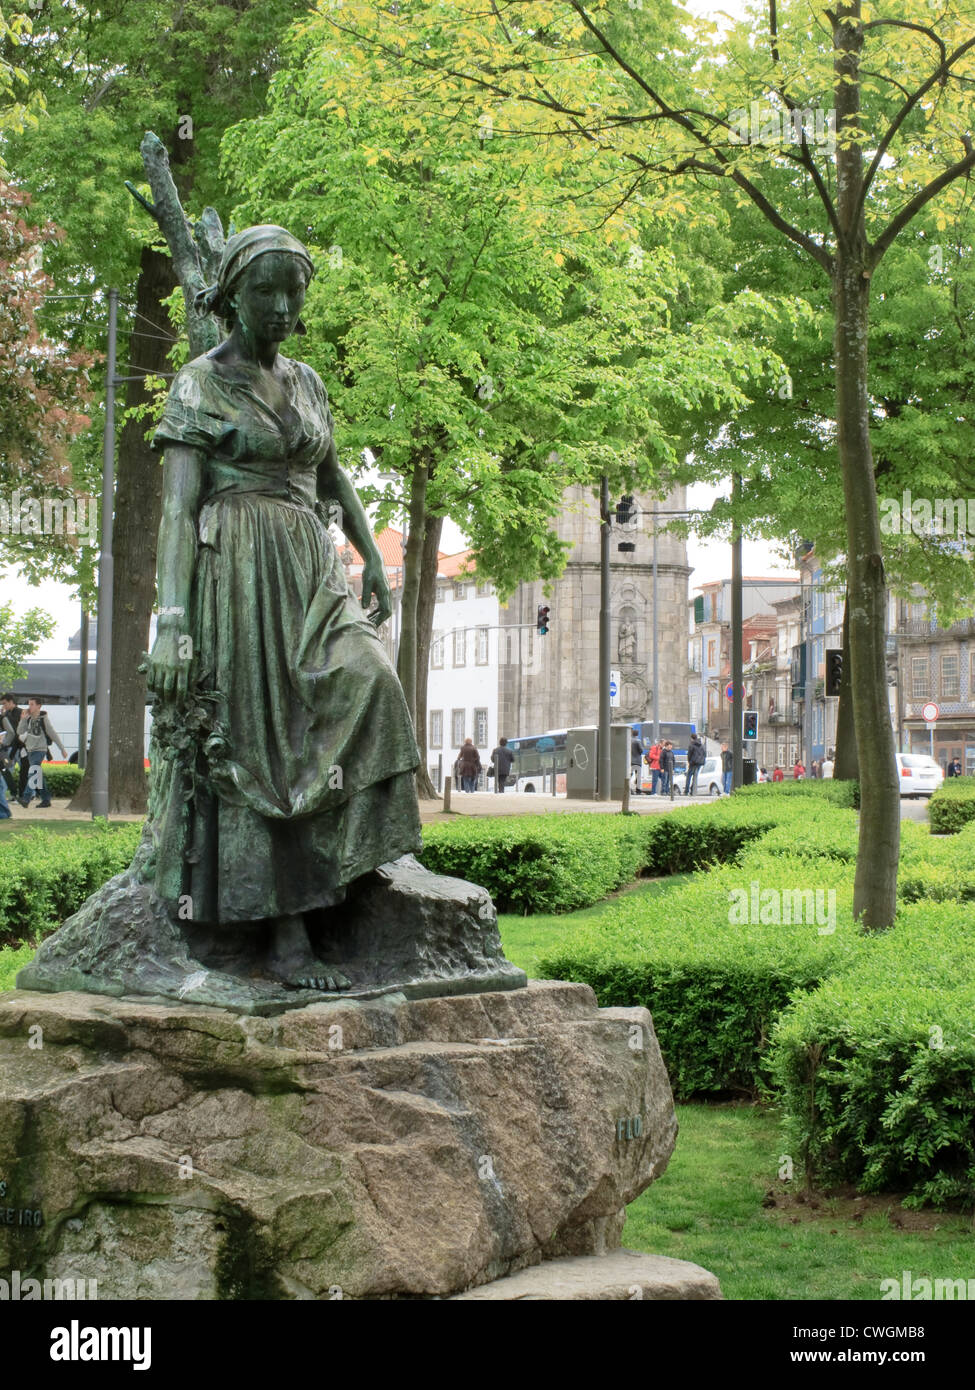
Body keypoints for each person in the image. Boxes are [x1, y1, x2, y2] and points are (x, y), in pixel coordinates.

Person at [144, 225, 422, 990]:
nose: (280, 306)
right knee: (264, 742)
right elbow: (176, 510)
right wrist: (171, 622)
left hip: (310, 563)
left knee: (370, 681)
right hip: (235, 568)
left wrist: (371, 557)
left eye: (293, 292)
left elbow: (332, 473)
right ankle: (287, 935)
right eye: (264, 290)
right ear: (232, 294)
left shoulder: (306, 382)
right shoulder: (200, 383)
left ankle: (354, 879)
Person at [17, 697, 67, 808]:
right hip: (30, 750)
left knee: (33, 772)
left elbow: (52, 733)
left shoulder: (43, 719)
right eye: (29, 704)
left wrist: (62, 748)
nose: (30, 707)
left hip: (40, 750)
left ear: (39, 706)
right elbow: (20, 732)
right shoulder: (28, 719)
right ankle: (46, 799)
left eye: (32, 704)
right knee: (38, 775)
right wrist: (23, 719)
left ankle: (26, 798)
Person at [1, 694, 28, 801]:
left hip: (20, 747)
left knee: (24, 771)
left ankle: (29, 793)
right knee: (8, 770)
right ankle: (13, 794)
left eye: (4, 703)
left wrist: (4, 717)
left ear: (11, 701)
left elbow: (16, 729)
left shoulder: (20, 712)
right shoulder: (6, 714)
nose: (3, 706)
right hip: (11, 747)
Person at [630, 727, 644, 794]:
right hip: (637, 761)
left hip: (630, 761)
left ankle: (629, 788)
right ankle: (638, 789)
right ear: (637, 735)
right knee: (638, 775)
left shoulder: (628, 740)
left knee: (629, 775)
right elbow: (641, 751)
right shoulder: (638, 741)